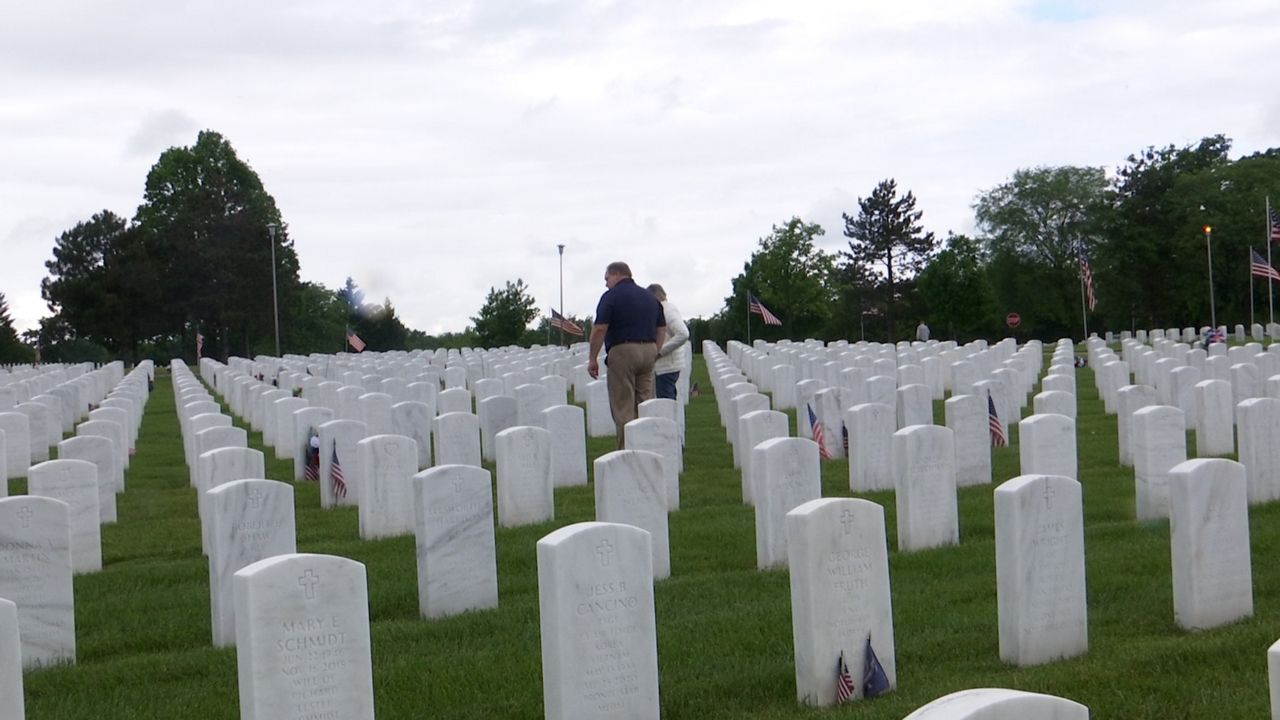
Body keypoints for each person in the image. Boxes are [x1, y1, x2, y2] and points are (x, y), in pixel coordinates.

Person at [588, 261, 666, 447]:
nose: (606, 283)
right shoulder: (650, 298)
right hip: (648, 350)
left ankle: (627, 452)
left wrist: (592, 358)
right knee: (644, 404)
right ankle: (647, 447)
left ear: (616, 274)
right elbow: (662, 328)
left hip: (623, 351)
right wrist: (655, 350)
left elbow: (599, 329)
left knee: (623, 405)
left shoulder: (611, 297)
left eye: (607, 278)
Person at [646, 283, 689, 401]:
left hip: (667, 365)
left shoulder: (667, 311)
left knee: (665, 403)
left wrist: (660, 352)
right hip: (665, 365)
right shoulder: (664, 309)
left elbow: (683, 334)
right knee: (666, 401)